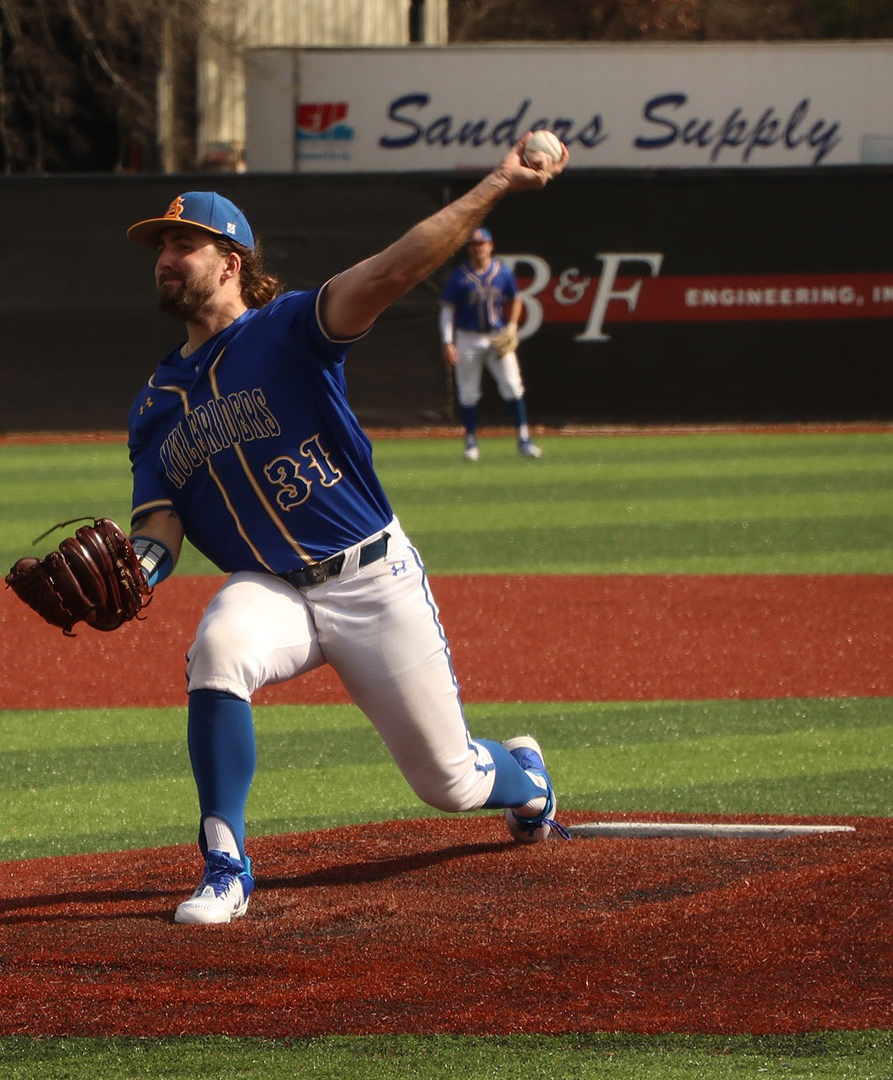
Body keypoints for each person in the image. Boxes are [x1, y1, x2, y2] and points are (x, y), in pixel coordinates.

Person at [121, 133, 569, 926]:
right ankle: (225, 866)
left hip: (369, 578)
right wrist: (139, 570)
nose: (165, 256)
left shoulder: (289, 329)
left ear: (231, 261)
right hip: (271, 589)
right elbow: (159, 521)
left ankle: (526, 776)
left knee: (450, 782)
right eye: (161, 244)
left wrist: (498, 182)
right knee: (219, 648)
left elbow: (395, 271)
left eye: (183, 243)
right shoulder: (155, 404)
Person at [439, 227, 541, 460]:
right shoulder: (459, 276)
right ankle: (471, 442)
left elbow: (515, 299)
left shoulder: (502, 273)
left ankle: (524, 439)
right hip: (467, 337)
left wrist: (512, 327)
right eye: (474, 245)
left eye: (481, 243)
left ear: (490, 246)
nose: (478, 248)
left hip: (496, 336)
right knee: (468, 393)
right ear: (469, 249)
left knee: (513, 387)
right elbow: (447, 310)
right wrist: (448, 340)